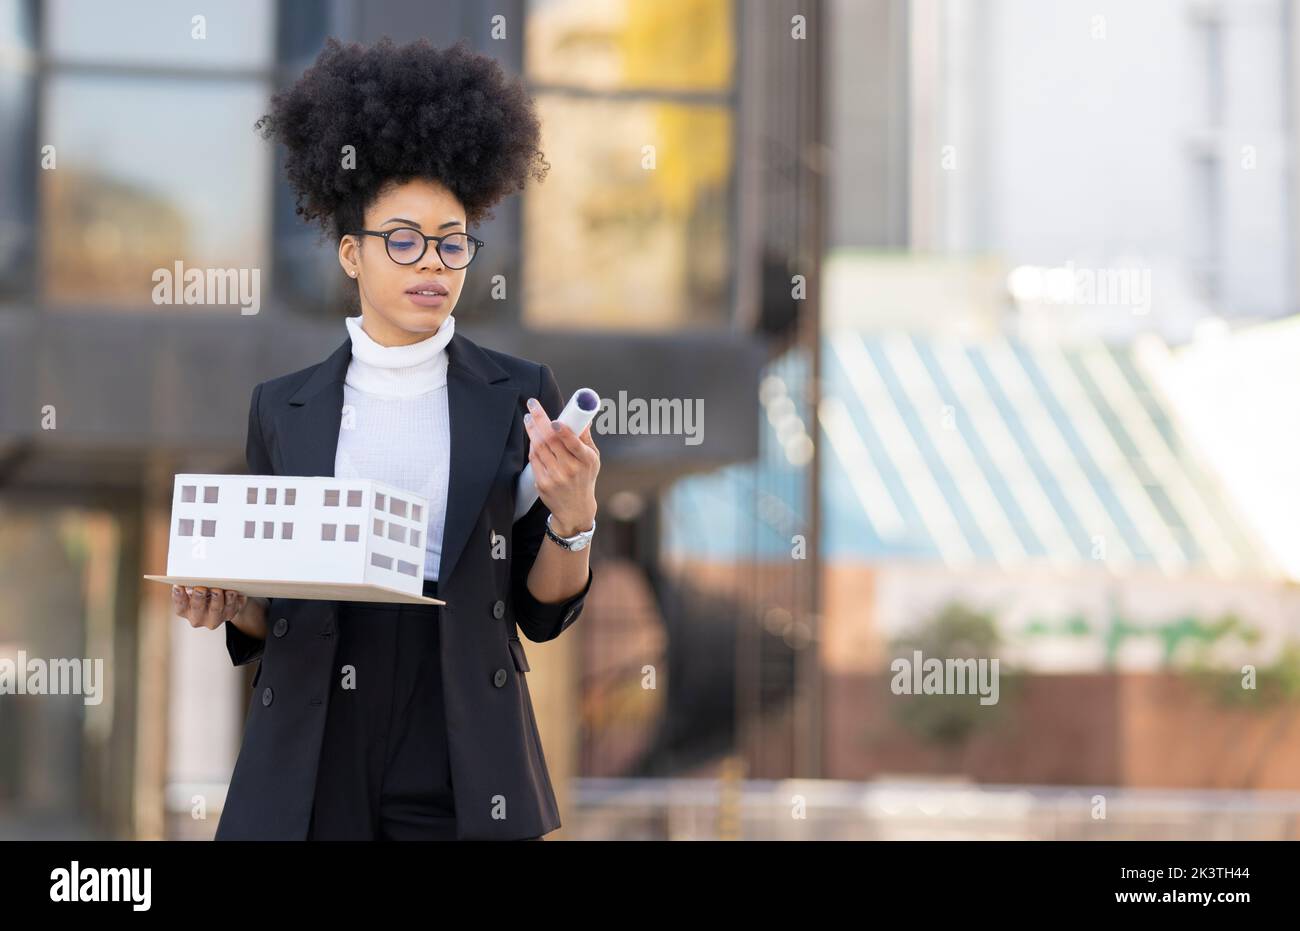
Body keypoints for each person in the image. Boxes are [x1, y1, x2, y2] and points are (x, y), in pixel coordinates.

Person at [172, 36, 599, 841]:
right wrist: (228, 604)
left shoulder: (521, 395)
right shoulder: (281, 407)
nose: (431, 263)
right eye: (403, 239)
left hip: (460, 738)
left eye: (452, 241)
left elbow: (539, 612)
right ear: (351, 253)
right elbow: (271, 608)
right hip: (313, 736)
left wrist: (574, 517)